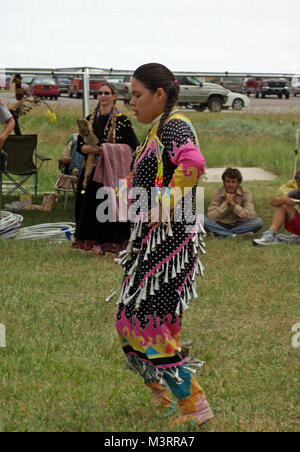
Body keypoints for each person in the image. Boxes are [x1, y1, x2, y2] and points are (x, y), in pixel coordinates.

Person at [114, 63, 214, 427]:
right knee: (128, 321)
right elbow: (152, 176)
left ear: (160, 95)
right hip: (149, 239)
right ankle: (165, 392)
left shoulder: (175, 125)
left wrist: (166, 202)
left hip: (172, 240)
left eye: (137, 95)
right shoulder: (156, 130)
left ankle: (193, 403)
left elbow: (194, 164)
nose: (132, 102)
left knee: (147, 324)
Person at [73, 82, 139, 252]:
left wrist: (107, 150)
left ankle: (112, 242)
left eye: (106, 93)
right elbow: (79, 145)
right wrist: (89, 149)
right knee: (90, 205)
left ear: (114, 96)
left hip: (113, 172)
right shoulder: (89, 120)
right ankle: (92, 241)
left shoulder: (122, 121)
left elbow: (133, 146)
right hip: (91, 168)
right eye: (100, 93)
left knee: (110, 205)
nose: (102, 96)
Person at [204, 168, 263, 237]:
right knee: (201, 218)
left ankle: (221, 233)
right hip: (221, 223)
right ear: (224, 182)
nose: (230, 185)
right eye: (228, 181)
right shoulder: (217, 192)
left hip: (239, 224)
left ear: (238, 183)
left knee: (258, 222)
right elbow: (211, 217)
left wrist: (234, 205)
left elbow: (250, 216)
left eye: (233, 182)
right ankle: (234, 235)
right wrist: (225, 204)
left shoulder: (245, 192)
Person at [253, 170, 300, 245]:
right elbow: (272, 202)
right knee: (283, 205)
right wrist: (284, 200)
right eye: (299, 185)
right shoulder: (297, 192)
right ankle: (270, 235)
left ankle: (289, 239)